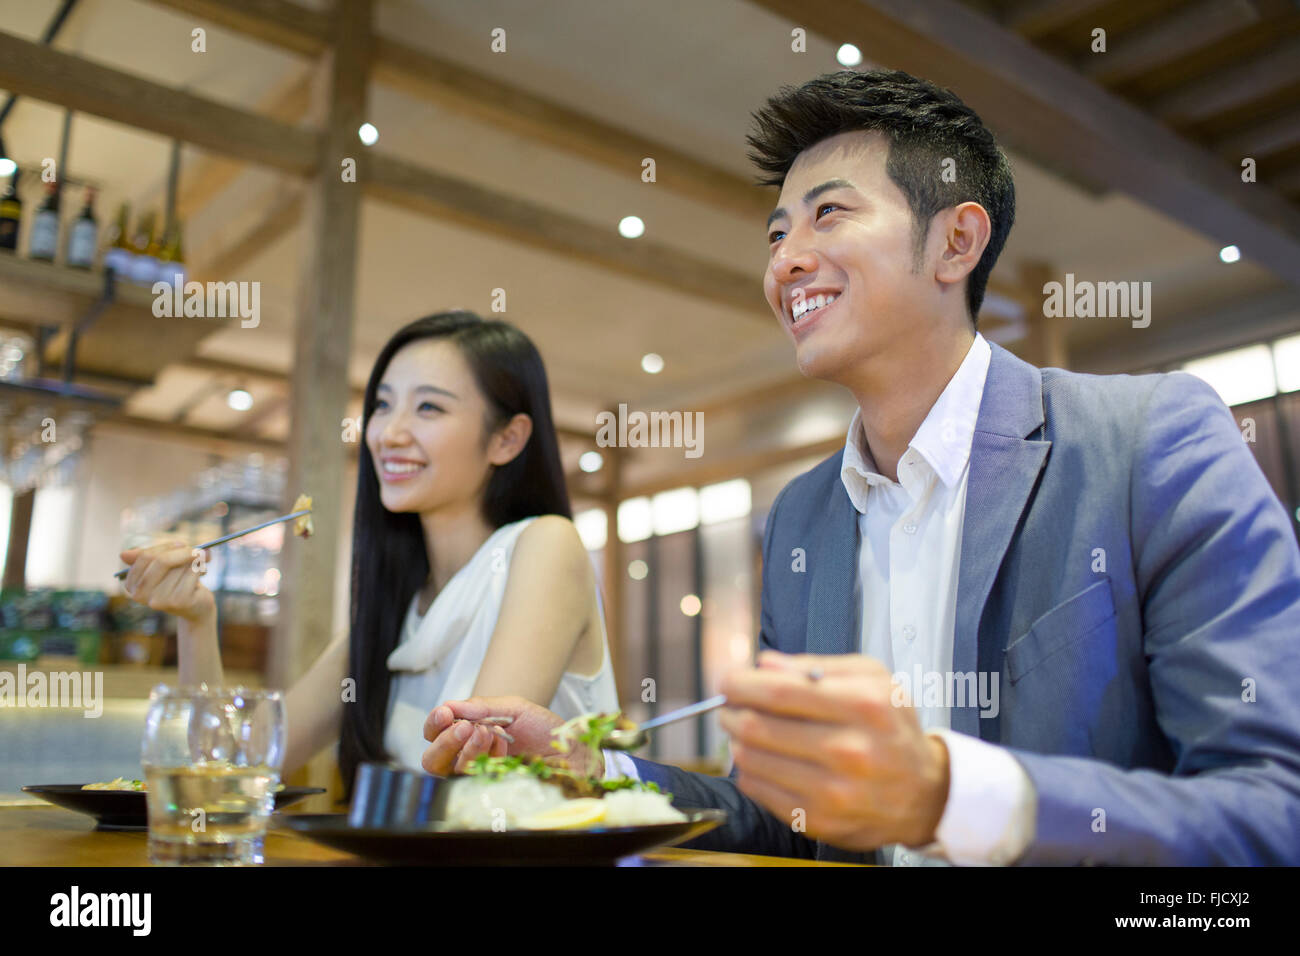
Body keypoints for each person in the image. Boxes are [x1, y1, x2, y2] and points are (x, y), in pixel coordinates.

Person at [422, 71, 1300, 865]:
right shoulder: (803, 516)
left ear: (956, 243)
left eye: (829, 215)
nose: (784, 261)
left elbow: (1273, 810)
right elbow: (778, 817)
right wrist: (591, 766)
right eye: (777, 232)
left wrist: (944, 795)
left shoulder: (1147, 440)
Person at [118, 311, 618, 793]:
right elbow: (229, 765)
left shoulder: (546, 545)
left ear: (506, 439)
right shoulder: (395, 606)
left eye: (429, 407)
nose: (388, 434)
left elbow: (475, 780)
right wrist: (196, 617)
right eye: (382, 404)